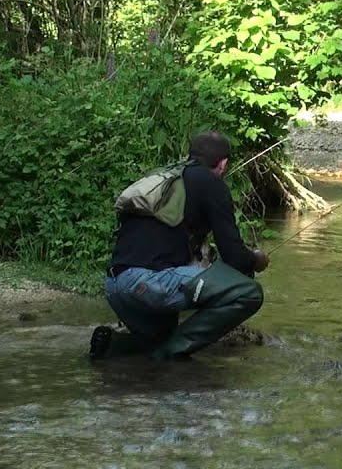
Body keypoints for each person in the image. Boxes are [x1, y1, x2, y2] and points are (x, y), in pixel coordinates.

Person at [89, 131, 270, 361]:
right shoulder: (211, 183)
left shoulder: (166, 178)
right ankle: (169, 355)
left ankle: (114, 347)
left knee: (162, 337)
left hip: (116, 285)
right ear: (223, 164)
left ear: (189, 155)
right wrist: (256, 259)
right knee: (248, 293)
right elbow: (235, 258)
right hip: (150, 285)